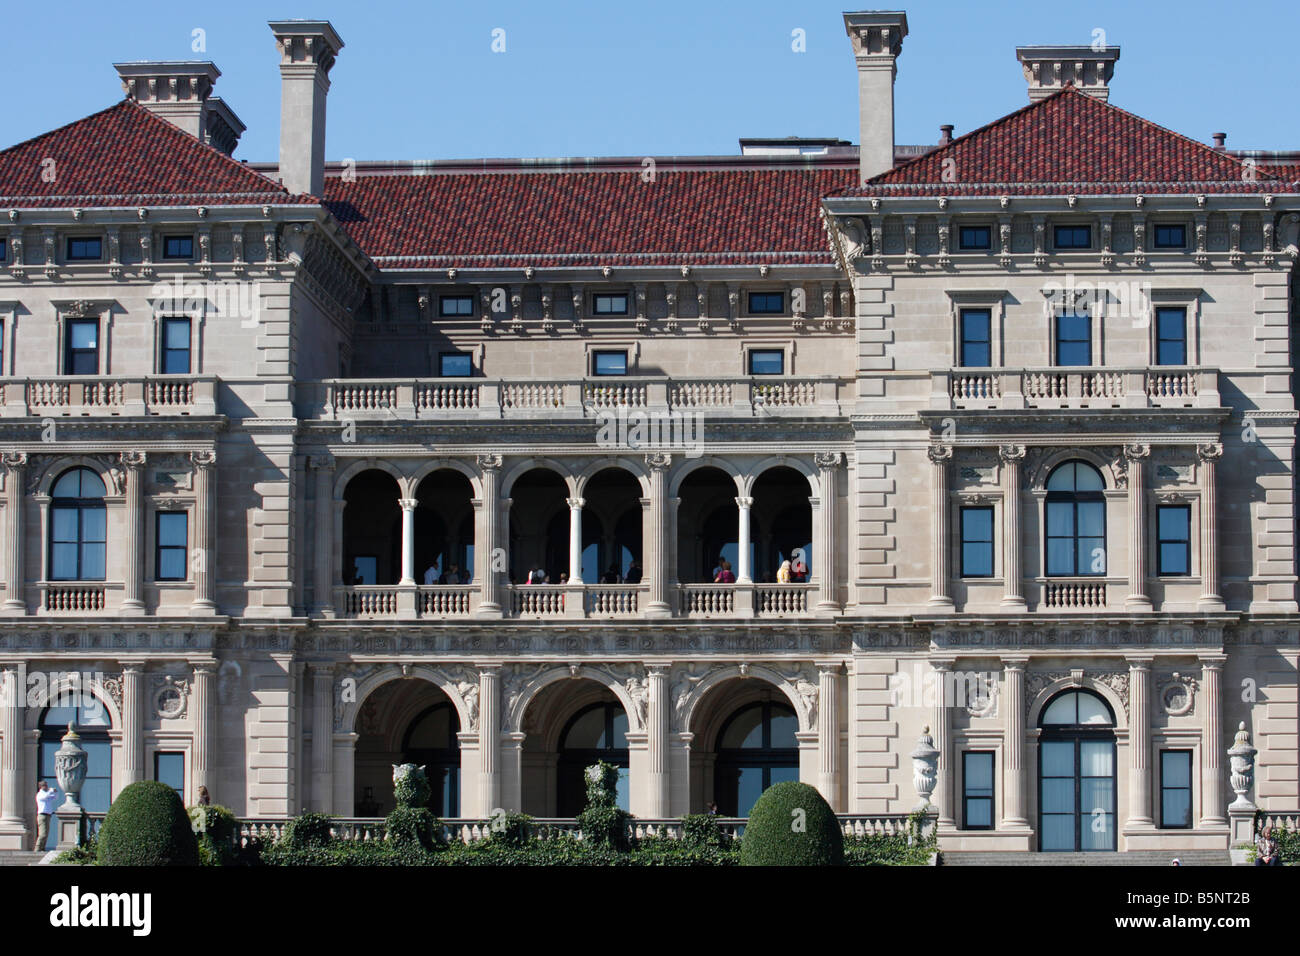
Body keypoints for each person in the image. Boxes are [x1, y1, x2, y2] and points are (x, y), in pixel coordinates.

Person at [34, 781, 59, 851]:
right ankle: (37, 848)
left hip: (48, 815)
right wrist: (51, 790)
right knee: (42, 834)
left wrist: (55, 792)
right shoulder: (40, 794)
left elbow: (55, 797)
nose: (46, 787)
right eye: (44, 785)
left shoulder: (47, 794)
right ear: (41, 787)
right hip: (42, 815)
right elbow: (45, 796)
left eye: (46, 785)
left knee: (46, 833)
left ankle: (42, 848)